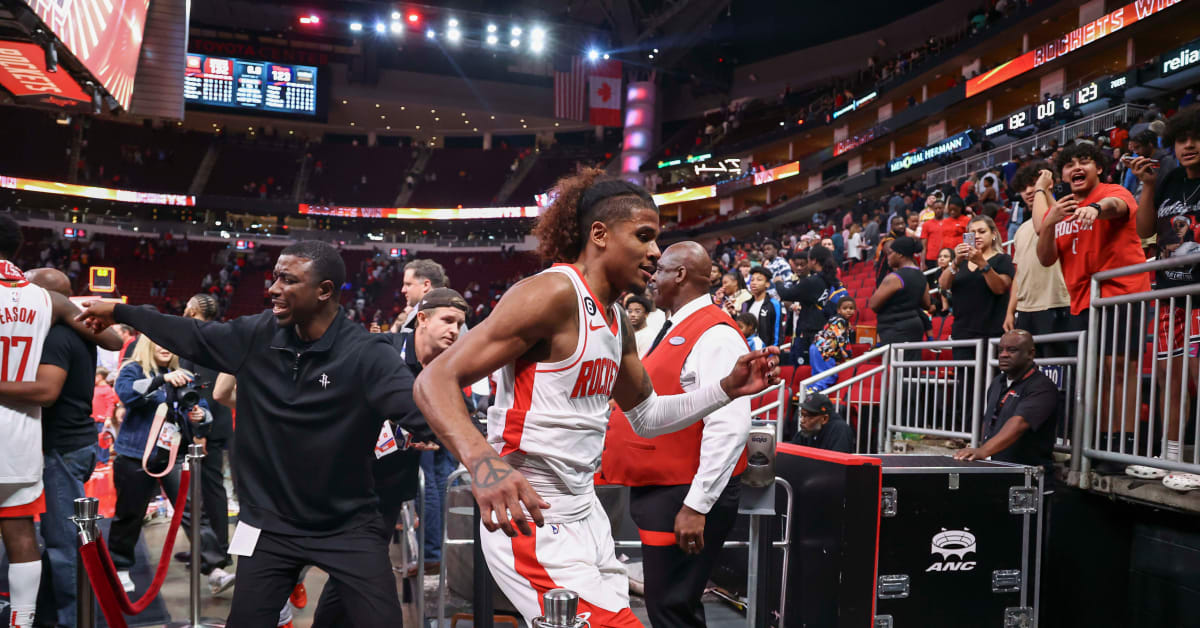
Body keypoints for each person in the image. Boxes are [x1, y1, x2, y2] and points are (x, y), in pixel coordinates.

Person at [411, 170, 779, 627]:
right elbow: (433, 382)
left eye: (657, 241)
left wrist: (723, 390)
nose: (654, 253)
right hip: (535, 518)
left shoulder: (617, 320)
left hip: (586, 514)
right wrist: (484, 464)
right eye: (644, 237)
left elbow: (647, 416)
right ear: (599, 234)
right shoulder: (552, 293)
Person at [77, 241, 433, 626]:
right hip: (271, 526)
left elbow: (420, 408)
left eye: (288, 279)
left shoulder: (366, 352)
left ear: (324, 291)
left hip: (347, 525)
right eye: (274, 277)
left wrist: (476, 459)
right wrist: (118, 310)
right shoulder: (256, 334)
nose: (273, 289)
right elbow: (191, 334)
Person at [601, 241, 750, 628]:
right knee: (668, 605)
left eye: (660, 269)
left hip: (683, 493)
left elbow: (729, 426)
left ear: (680, 274)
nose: (651, 278)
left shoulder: (715, 334)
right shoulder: (675, 326)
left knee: (672, 608)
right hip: (666, 487)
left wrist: (697, 505)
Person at [312, 288, 469, 627]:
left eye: (460, 323)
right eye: (447, 320)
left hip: (390, 487)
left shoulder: (447, 366)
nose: (454, 330)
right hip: (350, 481)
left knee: (349, 574)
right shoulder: (382, 349)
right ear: (422, 319)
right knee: (361, 575)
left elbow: (460, 417)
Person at [0, 220, 121, 628]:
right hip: (62, 443)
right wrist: (75, 313)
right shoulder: (61, 320)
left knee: (62, 543)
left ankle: (72, 619)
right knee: (39, 537)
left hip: (58, 448)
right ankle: (36, 614)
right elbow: (115, 340)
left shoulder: (53, 336)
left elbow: (46, 392)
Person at [1034, 142, 1150, 461]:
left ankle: (1124, 444)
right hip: (1083, 302)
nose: (1076, 168)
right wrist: (1050, 221)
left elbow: (1118, 206)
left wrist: (1095, 209)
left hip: (1122, 293)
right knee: (1095, 373)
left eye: (1084, 161)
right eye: (1069, 165)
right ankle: (1101, 443)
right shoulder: (1063, 209)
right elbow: (1045, 258)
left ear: (1099, 168)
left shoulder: (1112, 191)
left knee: (1119, 368)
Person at [110, 336, 216, 594]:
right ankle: (120, 567)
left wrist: (201, 416)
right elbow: (125, 393)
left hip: (174, 455)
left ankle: (214, 568)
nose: (164, 347)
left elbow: (202, 410)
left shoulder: (184, 375)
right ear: (147, 344)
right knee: (130, 513)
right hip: (135, 454)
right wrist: (161, 380)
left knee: (193, 510)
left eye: (169, 343)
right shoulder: (133, 369)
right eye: (158, 342)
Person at [1130, 105, 1200, 490]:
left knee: (1195, 376)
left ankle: (1197, 461)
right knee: (1167, 378)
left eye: (1195, 138)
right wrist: (1149, 186)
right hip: (1171, 293)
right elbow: (1145, 232)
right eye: (1180, 140)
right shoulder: (1171, 181)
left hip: (1199, 295)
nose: (1188, 145)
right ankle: (1170, 456)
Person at [170, 294, 237, 589]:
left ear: (194, 308)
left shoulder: (203, 339)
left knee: (210, 490)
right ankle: (206, 546)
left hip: (206, 423)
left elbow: (203, 389)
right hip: (210, 421)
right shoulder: (214, 334)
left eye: (188, 305)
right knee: (203, 489)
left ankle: (218, 554)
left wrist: (200, 431)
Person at [954, 330, 1059, 479]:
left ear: (1030, 353)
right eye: (1000, 350)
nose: (1003, 354)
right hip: (997, 471)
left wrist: (983, 451)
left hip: (1029, 477)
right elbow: (989, 420)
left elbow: (1018, 424)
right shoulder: (998, 382)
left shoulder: (1042, 387)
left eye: (1012, 350)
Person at [1004, 163, 1072, 357]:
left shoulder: (1063, 215)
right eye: (1024, 188)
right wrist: (1011, 311)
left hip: (1057, 305)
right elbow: (1019, 273)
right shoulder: (1021, 230)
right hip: (1026, 311)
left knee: (1059, 372)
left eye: (1033, 184)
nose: (1028, 191)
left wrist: (1044, 188)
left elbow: (1053, 213)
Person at [939, 215, 1014, 355]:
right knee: (964, 376)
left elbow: (1000, 288)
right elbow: (943, 285)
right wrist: (955, 261)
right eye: (972, 233)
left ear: (993, 234)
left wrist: (982, 263)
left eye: (982, 231)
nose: (977, 236)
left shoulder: (1002, 259)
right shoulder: (961, 263)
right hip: (962, 334)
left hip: (991, 334)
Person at [775, 245, 841, 366]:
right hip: (827, 331)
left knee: (808, 369)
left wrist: (778, 282)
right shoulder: (830, 279)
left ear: (814, 261)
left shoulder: (812, 281)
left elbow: (786, 294)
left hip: (811, 333)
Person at [869, 237, 931, 354]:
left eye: (891, 253)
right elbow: (927, 304)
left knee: (898, 369)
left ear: (900, 255)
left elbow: (873, 305)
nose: (888, 257)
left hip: (895, 328)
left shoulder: (895, 278)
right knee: (911, 368)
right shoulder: (921, 276)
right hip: (914, 327)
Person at [807, 297, 858, 394]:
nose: (848, 310)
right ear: (839, 310)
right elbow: (842, 341)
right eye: (845, 308)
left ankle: (810, 389)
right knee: (830, 374)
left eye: (851, 308)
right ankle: (815, 390)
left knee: (818, 373)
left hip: (814, 347)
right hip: (824, 349)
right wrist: (849, 359)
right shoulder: (841, 321)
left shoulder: (833, 319)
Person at [790, 394, 854, 453]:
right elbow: (792, 452)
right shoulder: (808, 430)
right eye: (801, 415)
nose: (802, 420)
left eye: (807, 416)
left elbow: (838, 463)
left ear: (824, 419)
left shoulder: (840, 430)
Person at [742, 267, 782, 348]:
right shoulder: (745, 304)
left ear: (767, 284)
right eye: (752, 280)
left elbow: (777, 331)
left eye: (759, 280)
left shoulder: (774, 304)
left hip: (765, 352)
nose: (754, 283)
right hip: (746, 350)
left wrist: (772, 353)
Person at [921, 198, 947, 269]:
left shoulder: (949, 222)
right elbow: (924, 246)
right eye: (936, 208)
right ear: (933, 209)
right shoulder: (926, 224)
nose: (938, 210)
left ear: (944, 208)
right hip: (931, 258)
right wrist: (922, 263)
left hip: (946, 257)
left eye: (940, 208)